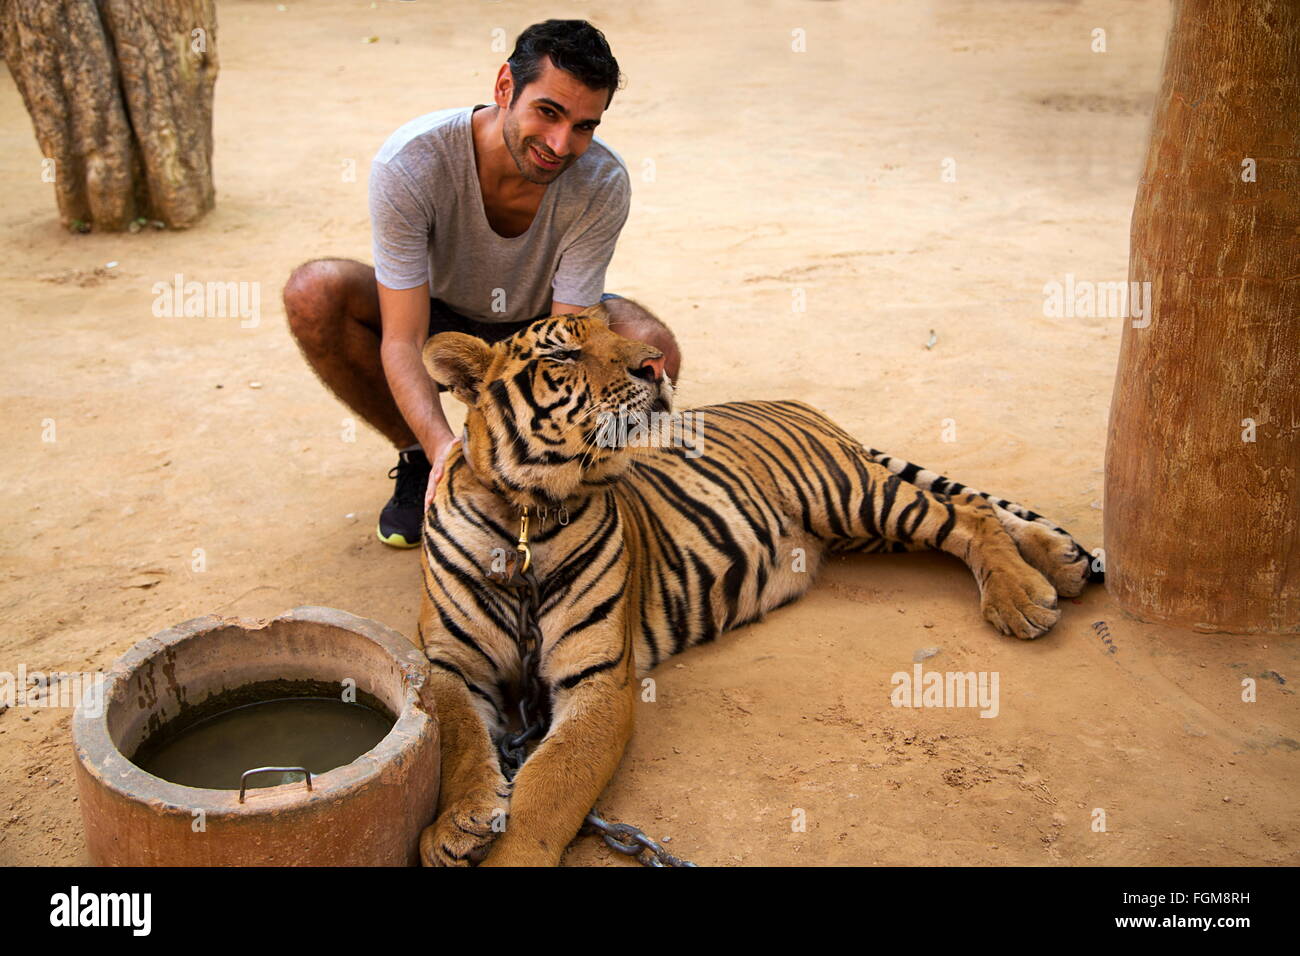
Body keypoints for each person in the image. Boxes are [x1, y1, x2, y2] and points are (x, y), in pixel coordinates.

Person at [283, 19, 681, 547]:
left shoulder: (602, 182)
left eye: (585, 126)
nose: (562, 144)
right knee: (315, 291)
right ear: (504, 88)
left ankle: (577, 481)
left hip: (541, 325)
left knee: (656, 347)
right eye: (548, 112)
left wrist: (542, 442)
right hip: (438, 312)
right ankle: (418, 458)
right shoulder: (412, 162)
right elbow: (402, 338)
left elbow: (568, 343)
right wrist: (446, 448)